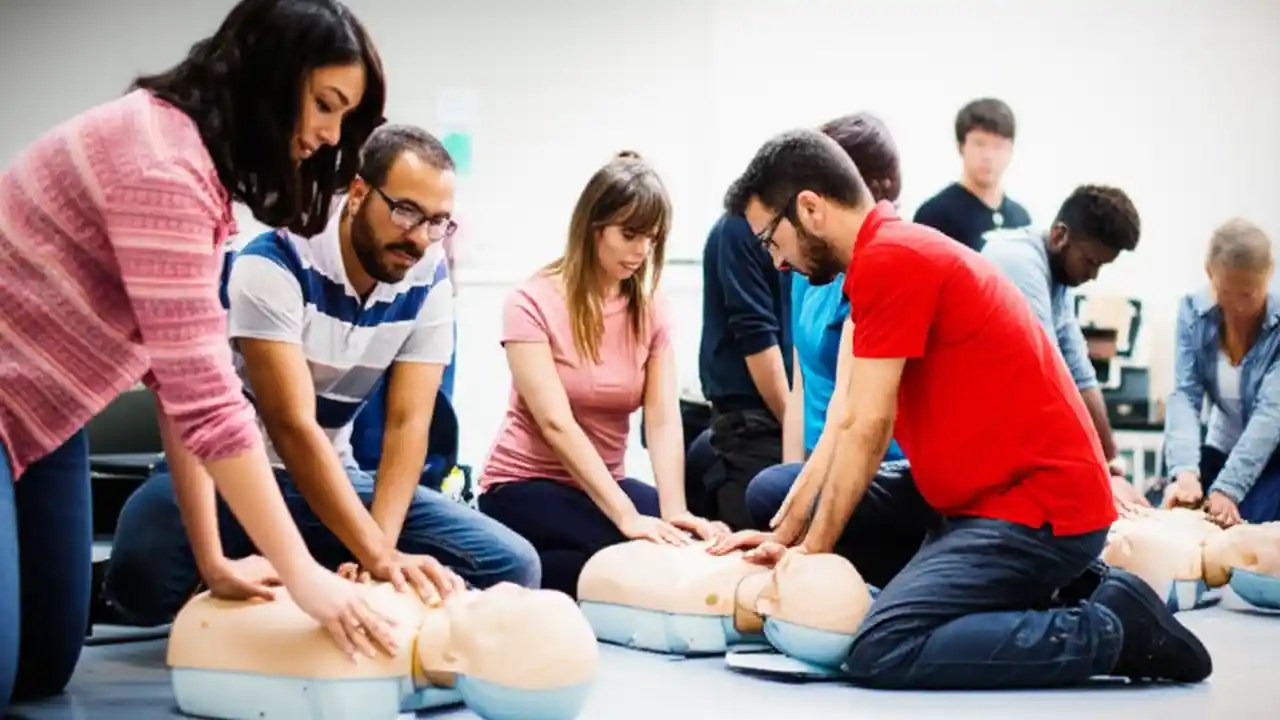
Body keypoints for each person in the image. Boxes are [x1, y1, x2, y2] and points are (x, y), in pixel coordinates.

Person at [0, 0, 399, 709]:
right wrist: (303, 574)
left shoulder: (198, 171)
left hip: (45, 416)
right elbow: (211, 405)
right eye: (324, 106)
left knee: (44, 663)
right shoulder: (163, 166)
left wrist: (213, 560)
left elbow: (176, 379)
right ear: (269, 76)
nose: (328, 135)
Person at [717, 128, 1211, 690]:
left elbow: (871, 432)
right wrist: (789, 539)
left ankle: (1110, 629)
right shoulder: (883, 256)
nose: (775, 262)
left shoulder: (892, 260)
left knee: (884, 648)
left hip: (1036, 509)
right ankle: (1053, 587)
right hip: (968, 496)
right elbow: (848, 420)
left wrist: (813, 556)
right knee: (775, 494)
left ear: (809, 208)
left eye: (769, 240)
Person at [104, 124, 540, 627]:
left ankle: (323, 567)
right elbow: (292, 427)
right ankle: (292, 568)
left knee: (513, 566)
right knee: (142, 578)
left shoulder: (428, 272)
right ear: (358, 193)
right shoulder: (276, 259)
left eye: (438, 222)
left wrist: (381, 553)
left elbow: (407, 425)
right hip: (231, 477)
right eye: (405, 212)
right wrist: (376, 552)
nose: (419, 238)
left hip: (333, 480)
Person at [478, 152, 727, 597]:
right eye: (629, 235)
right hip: (524, 483)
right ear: (593, 228)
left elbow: (663, 417)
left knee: (679, 544)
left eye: (651, 238)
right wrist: (626, 515)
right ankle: (510, 568)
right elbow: (556, 423)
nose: (641, 251)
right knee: (624, 546)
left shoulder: (650, 308)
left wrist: (673, 509)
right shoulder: (530, 302)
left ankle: (533, 575)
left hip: (603, 484)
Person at [741, 113, 927, 589]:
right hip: (825, 454)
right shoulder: (810, 270)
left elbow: (858, 419)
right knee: (770, 490)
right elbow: (803, 385)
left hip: (883, 462)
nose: (776, 260)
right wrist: (792, 498)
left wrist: (807, 544)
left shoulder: (881, 265)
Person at [981, 185, 1149, 513]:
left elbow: (1079, 373)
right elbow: (1047, 377)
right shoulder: (1018, 262)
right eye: (1089, 261)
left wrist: (1111, 461)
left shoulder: (1059, 280)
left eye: (1102, 266)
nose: (1093, 275)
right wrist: (1097, 477)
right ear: (1060, 235)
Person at [695, 164, 794, 530]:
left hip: (782, 416)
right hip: (752, 422)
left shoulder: (793, 236)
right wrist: (793, 425)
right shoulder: (738, 231)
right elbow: (757, 339)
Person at [1163, 218, 1280, 526]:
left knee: (1248, 534)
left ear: (1269, 274)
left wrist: (1229, 488)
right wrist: (1185, 471)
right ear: (1209, 274)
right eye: (1227, 292)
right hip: (1221, 448)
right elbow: (1186, 395)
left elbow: (1272, 413)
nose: (1240, 307)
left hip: (1273, 458)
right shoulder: (1192, 311)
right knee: (1185, 520)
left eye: (1249, 294)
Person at [913, 98, 1031, 252]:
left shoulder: (1021, 219)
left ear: (1011, 151)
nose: (988, 156)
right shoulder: (933, 215)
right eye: (979, 144)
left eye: (998, 146)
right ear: (961, 147)